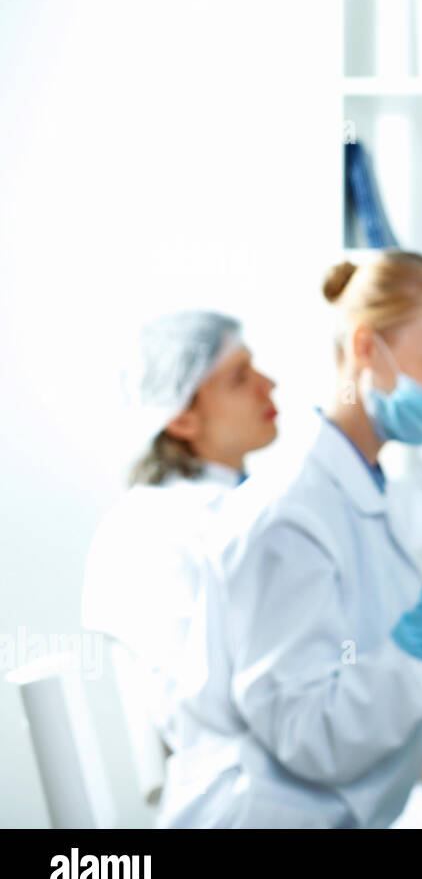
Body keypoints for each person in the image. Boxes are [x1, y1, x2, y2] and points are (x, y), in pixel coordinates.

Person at [158, 251, 422, 828]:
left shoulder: (361, 489)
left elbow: (360, 666)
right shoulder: (290, 511)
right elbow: (309, 733)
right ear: (365, 349)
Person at [82, 310, 277, 747]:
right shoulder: (152, 533)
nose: (269, 384)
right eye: (240, 378)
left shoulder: (241, 504)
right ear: (181, 418)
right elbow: (201, 710)